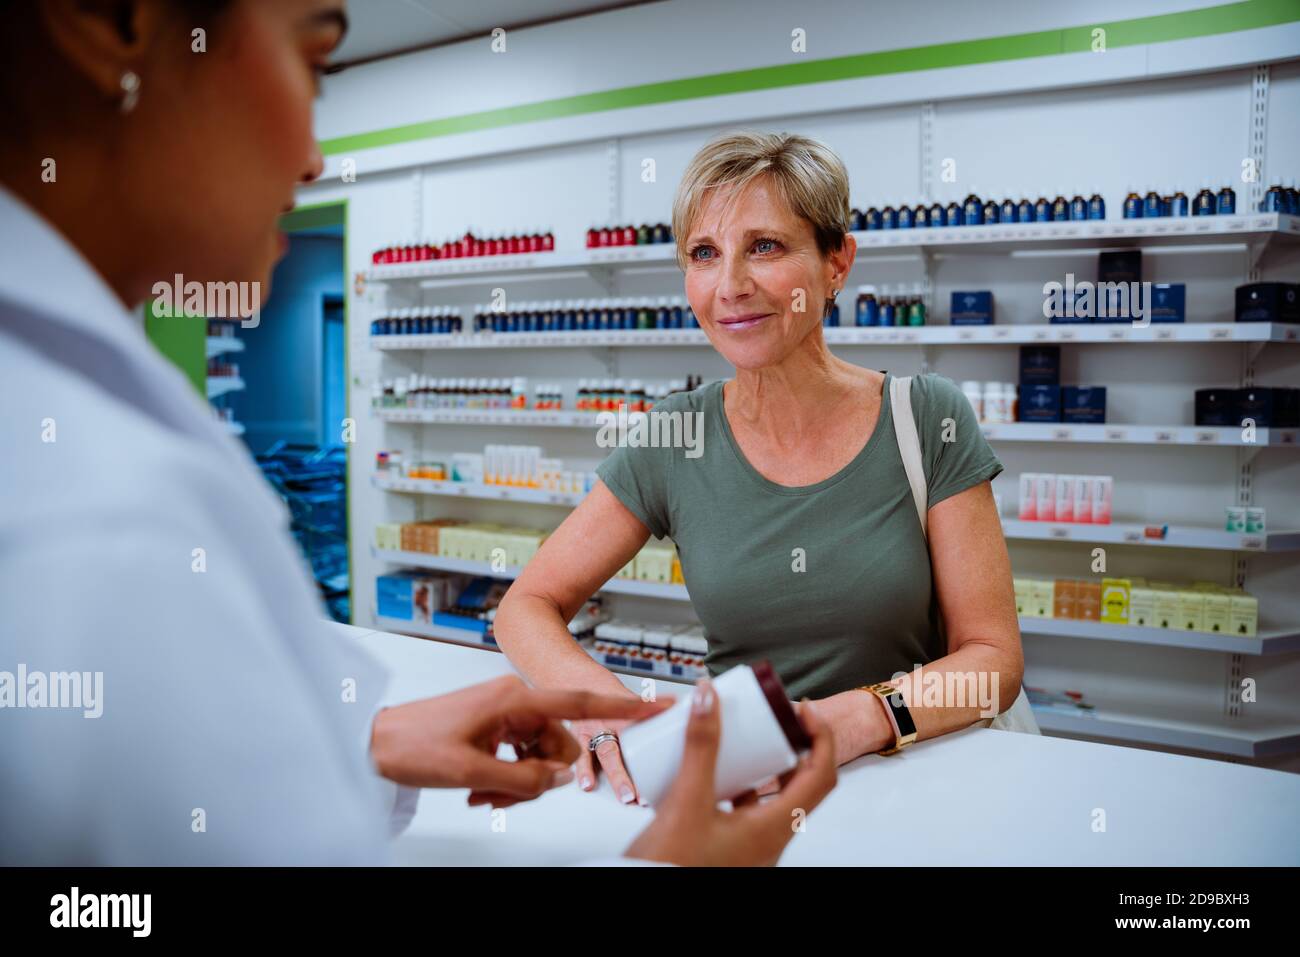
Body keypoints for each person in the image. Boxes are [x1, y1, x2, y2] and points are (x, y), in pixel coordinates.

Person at [0, 0, 836, 866]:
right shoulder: (93, 512)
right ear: (113, 25)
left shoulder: (77, 444)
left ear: (834, 263)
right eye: (316, 64)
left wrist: (375, 744)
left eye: (767, 247)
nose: (315, 155)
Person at [495, 131, 1025, 803]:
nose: (731, 286)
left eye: (765, 247)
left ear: (838, 263)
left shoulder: (924, 417)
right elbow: (525, 607)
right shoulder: (676, 435)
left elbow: (993, 661)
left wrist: (845, 722)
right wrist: (608, 710)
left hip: (912, 785)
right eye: (704, 254)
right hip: (742, 788)